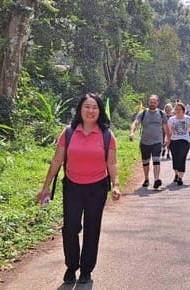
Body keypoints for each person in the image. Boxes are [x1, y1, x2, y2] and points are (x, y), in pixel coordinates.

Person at [36, 93, 121, 285]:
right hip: (73, 187)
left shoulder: (107, 135)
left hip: (97, 188)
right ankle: (71, 266)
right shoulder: (68, 132)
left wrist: (116, 185)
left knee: (92, 229)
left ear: (100, 111)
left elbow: (112, 163)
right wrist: (46, 187)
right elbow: (57, 160)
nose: (91, 111)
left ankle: (86, 270)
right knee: (70, 228)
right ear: (80, 109)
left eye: (95, 107)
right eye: (87, 107)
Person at [129, 95, 170, 189]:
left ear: (157, 103)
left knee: (156, 160)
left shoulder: (161, 113)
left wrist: (168, 138)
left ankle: (156, 180)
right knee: (145, 162)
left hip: (157, 141)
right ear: (149, 102)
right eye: (151, 102)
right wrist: (132, 132)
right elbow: (135, 123)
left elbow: (166, 127)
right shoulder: (143, 113)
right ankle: (146, 179)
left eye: (154, 102)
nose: (152, 104)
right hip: (145, 142)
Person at [167, 103, 190, 185]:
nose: (177, 111)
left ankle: (180, 177)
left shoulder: (187, 119)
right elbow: (168, 132)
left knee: (182, 157)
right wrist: (167, 140)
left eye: (179, 109)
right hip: (174, 141)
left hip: (184, 140)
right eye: (176, 109)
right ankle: (176, 174)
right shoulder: (171, 119)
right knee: (175, 159)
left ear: (183, 111)